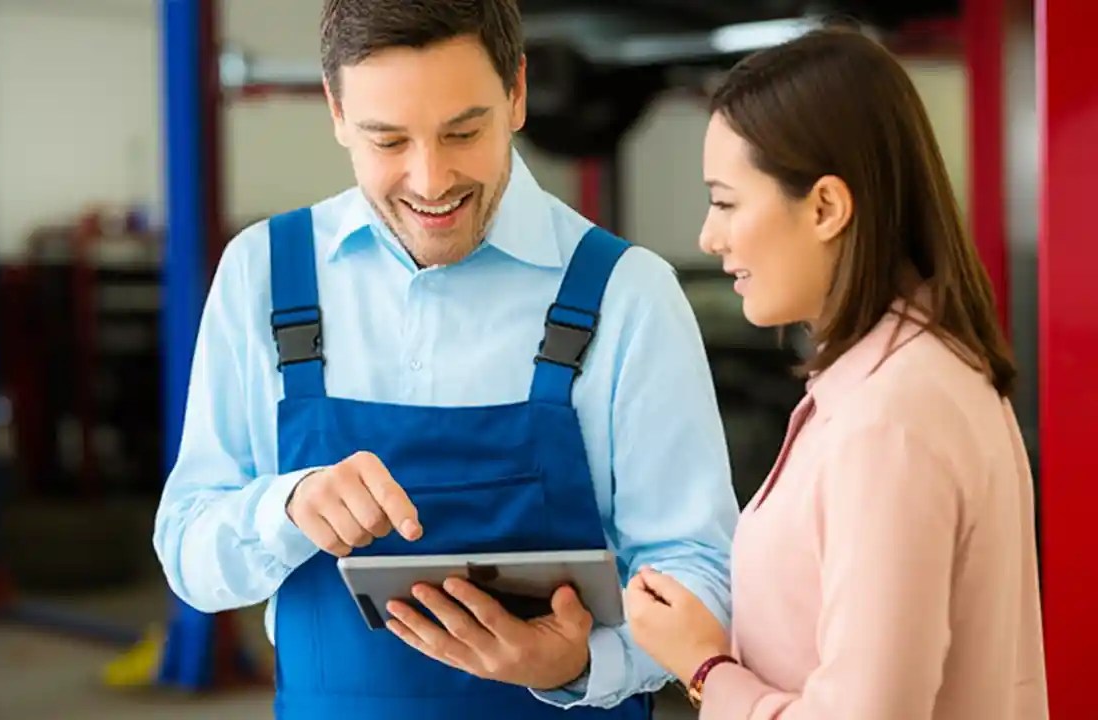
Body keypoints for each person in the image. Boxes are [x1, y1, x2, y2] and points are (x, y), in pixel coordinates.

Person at [152, 1, 740, 717]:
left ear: (517, 93)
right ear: (337, 111)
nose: (431, 181)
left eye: (464, 131)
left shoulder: (628, 295)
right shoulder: (262, 276)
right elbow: (188, 553)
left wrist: (584, 661)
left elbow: (702, 573)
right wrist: (287, 508)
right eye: (388, 140)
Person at [622, 26, 1049, 719]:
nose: (709, 236)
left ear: (825, 207)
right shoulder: (917, 380)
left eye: (727, 201)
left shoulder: (890, 417)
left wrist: (706, 667)